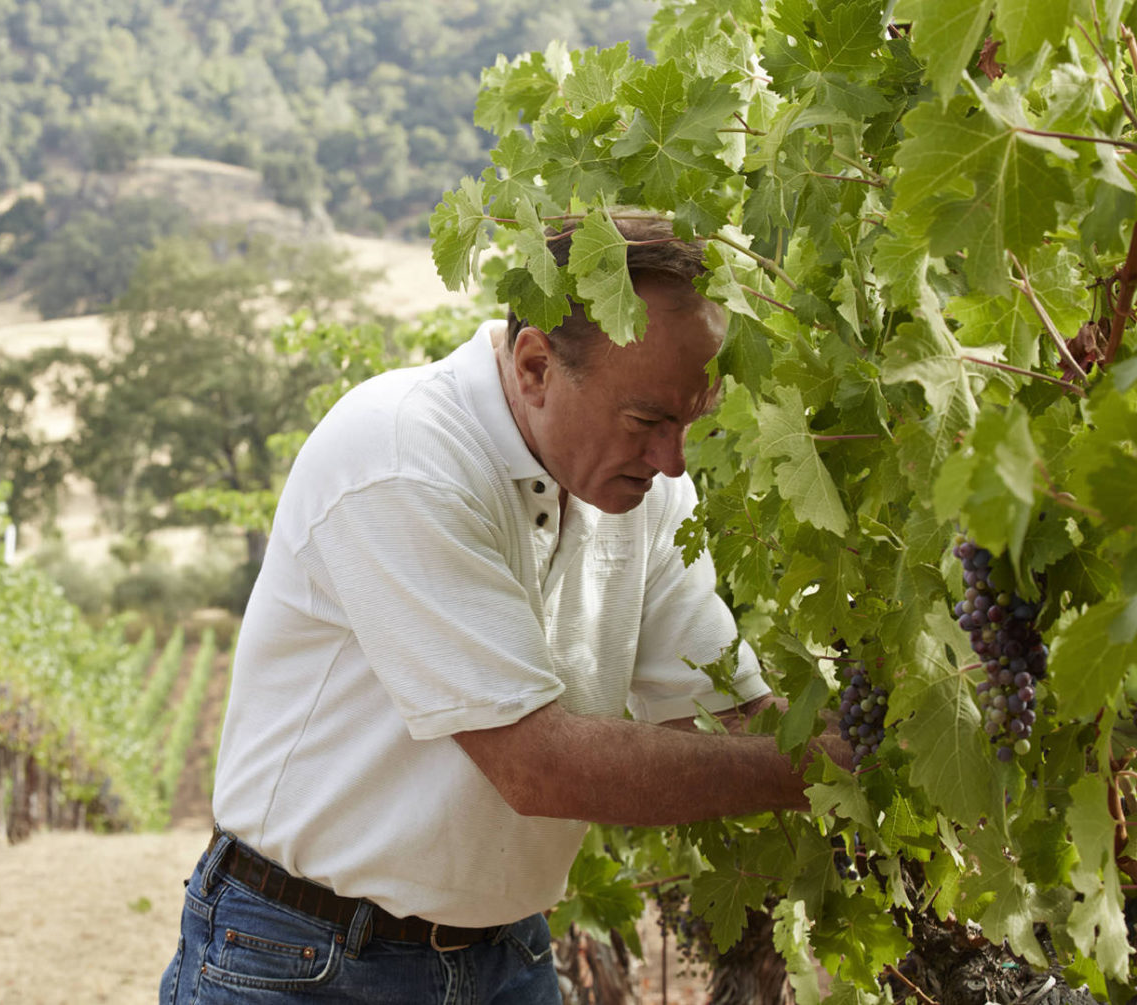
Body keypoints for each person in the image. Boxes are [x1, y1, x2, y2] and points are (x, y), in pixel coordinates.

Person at [159, 216, 850, 1003]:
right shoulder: (403, 458)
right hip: (304, 959)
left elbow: (730, 712)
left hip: (508, 954)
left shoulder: (644, 488)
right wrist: (821, 768)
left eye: (693, 421)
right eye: (650, 421)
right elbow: (537, 765)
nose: (675, 460)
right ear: (533, 367)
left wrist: (887, 745)